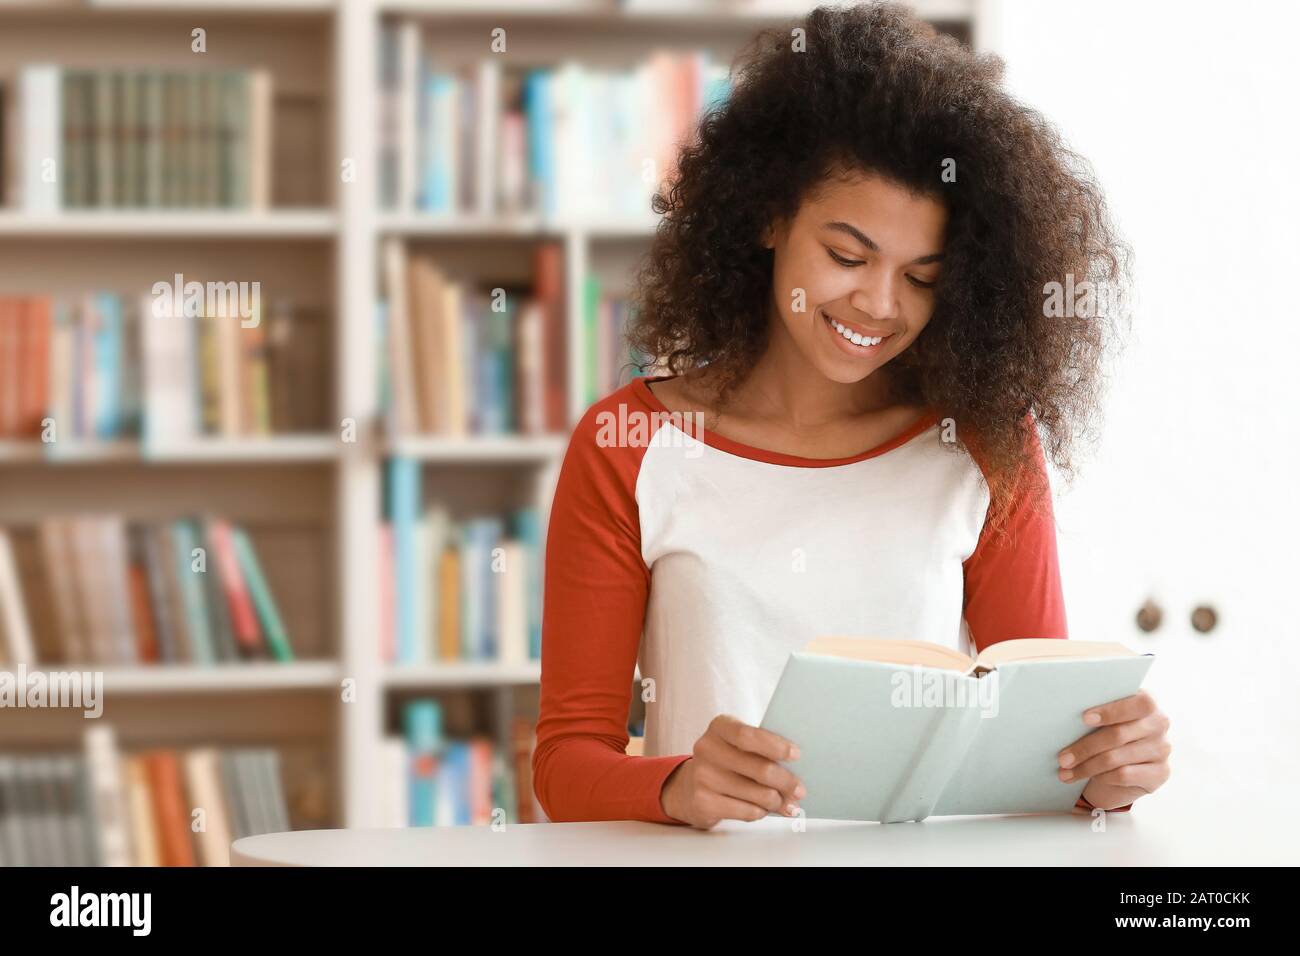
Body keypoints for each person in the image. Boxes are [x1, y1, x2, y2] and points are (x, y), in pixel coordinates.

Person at [532, 1, 1170, 829]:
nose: (878, 303)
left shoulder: (984, 445)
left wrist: (1106, 771)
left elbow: (1041, 751)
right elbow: (564, 761)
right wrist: (674, 785)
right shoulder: (630, 446)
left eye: (922, 276)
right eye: (846, 255)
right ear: (767, 217)